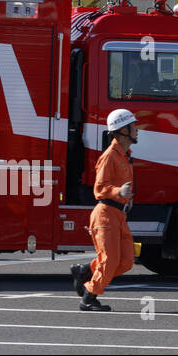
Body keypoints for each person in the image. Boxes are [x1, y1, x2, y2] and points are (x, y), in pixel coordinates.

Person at [71, 108, 138, 312]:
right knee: (109, 261)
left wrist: (126, 198)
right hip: (105, 214)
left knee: (126, 261)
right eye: (133, 126)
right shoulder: (110, 156)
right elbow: (99, 188)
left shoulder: (125, 155)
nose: (137, 130)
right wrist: (119, 191)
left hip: (118, 214)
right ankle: (89, 298)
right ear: (122, 130)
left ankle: (85, 272)